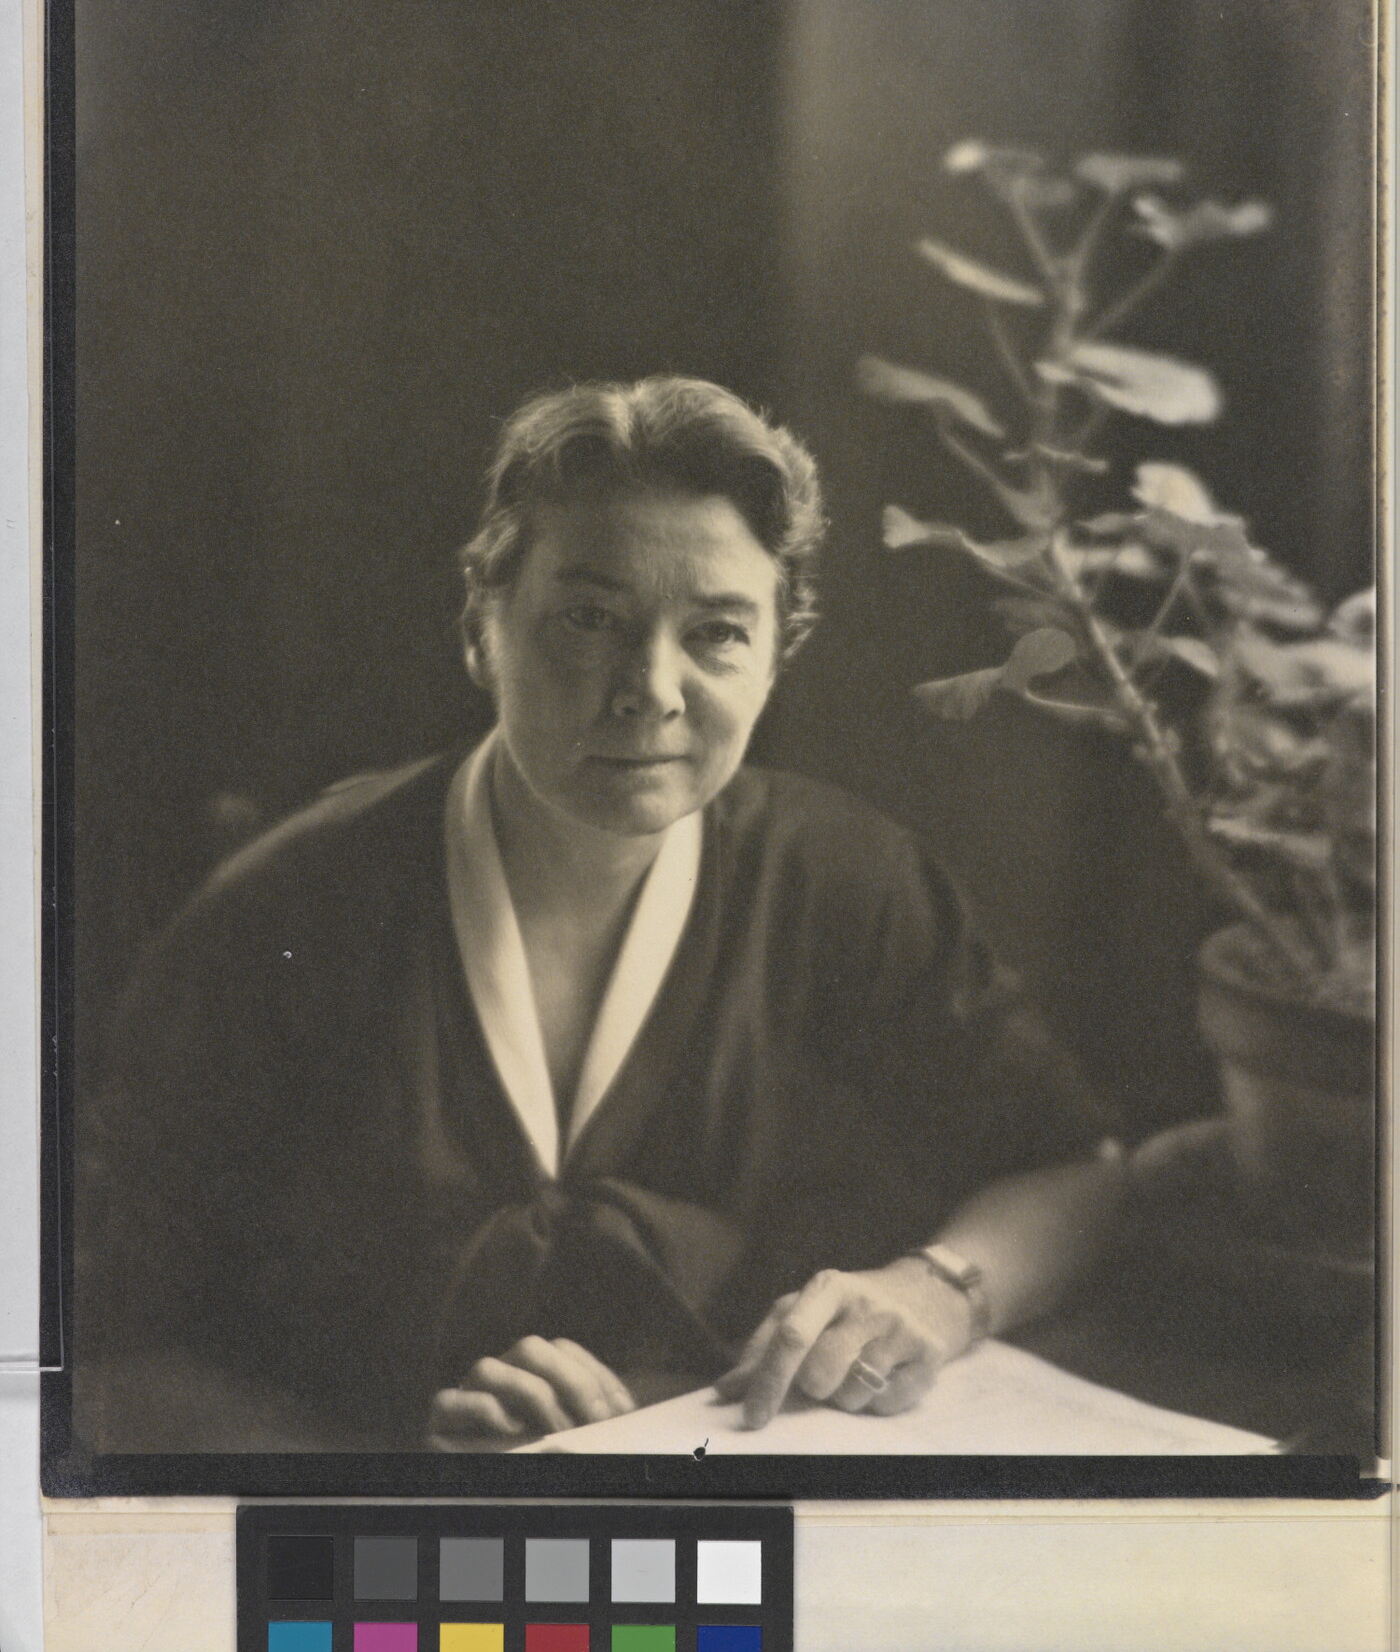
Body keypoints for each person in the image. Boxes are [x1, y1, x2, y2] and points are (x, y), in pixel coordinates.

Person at [79, 376, 1123, 1454]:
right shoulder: (283, 914)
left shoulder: (841, 878)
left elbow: (1071, 1167)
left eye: (716, 631)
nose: (652, 687)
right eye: (589, 619)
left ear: (776, 655)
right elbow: (108, 1361)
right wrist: (392, 1478)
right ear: (482, 629)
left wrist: (934, 1289)